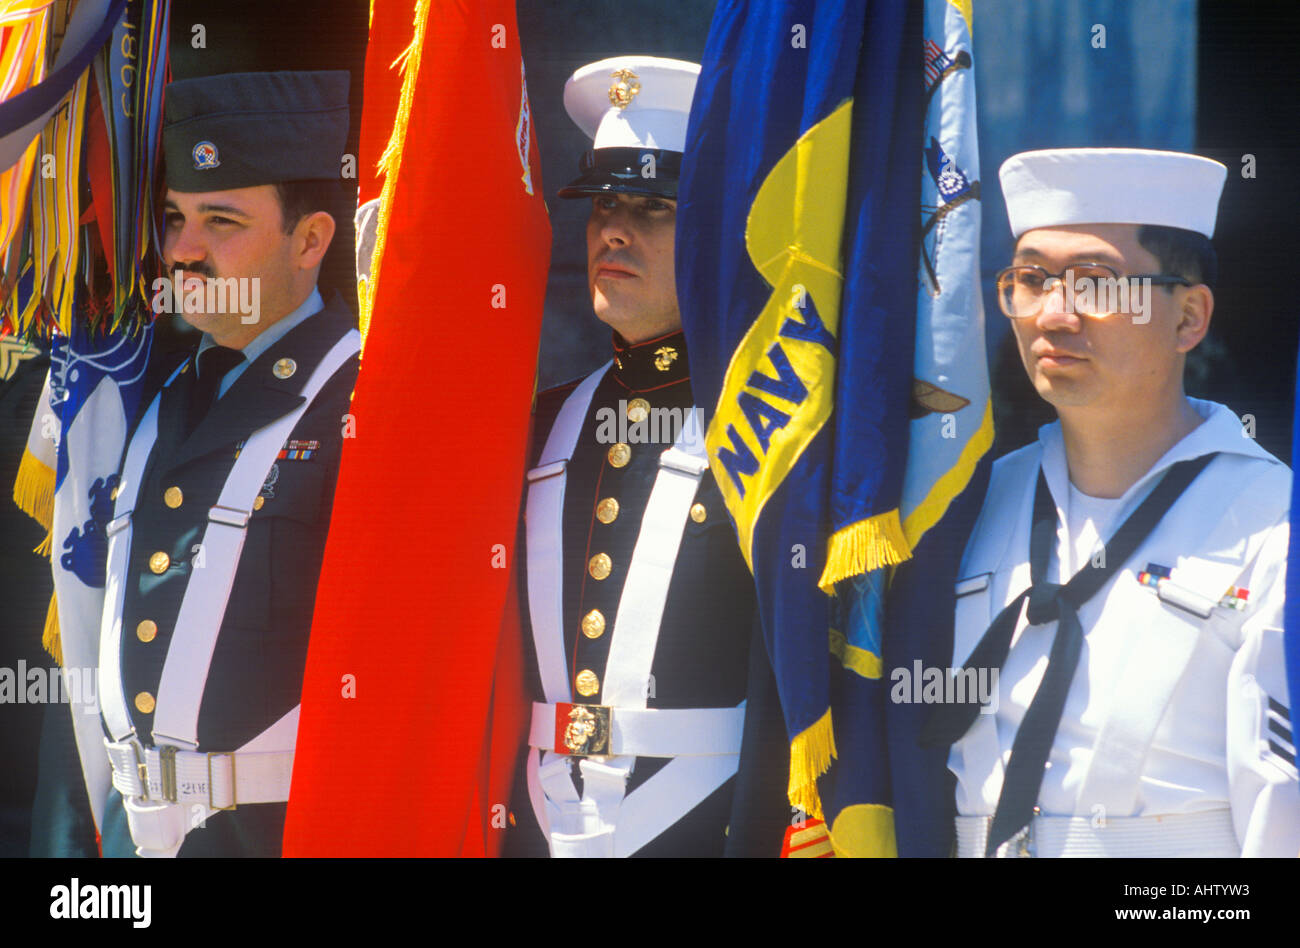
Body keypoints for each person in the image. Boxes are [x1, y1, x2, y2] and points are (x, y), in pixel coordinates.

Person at [923, 147, 1299, 857]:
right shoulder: (974, 502)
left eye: (1095, 284)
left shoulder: (1276, 525)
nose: (1053, 316)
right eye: (1030, 280)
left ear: (1189, 318)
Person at [503, 56, 771, 857]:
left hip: (709, 825)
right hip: (541, 820)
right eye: (604, 206)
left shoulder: (769, 426)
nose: (613, 231)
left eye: (653, 209)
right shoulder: (542, 423)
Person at [95, 70, 360, 857]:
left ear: (310, 240)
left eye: (221, 220)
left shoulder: (364, 402)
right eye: (176, 218)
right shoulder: (169, 389)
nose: (181, 250)